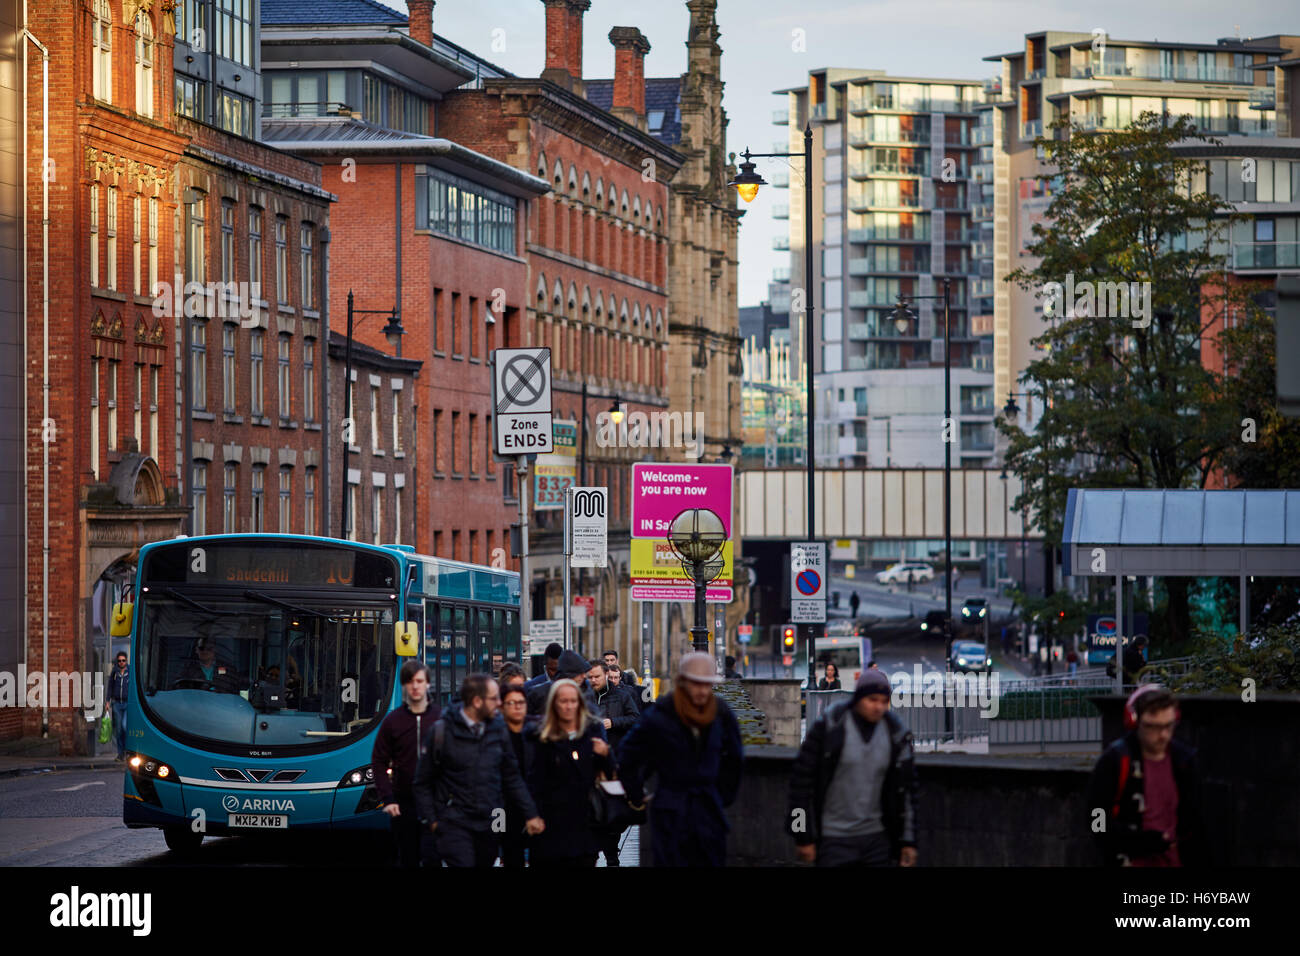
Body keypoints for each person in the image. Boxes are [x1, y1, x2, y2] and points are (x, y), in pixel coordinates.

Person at [617, 652, 744, 867]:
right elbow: (628, 754)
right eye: (696, 684)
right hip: (671, 811)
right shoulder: (662, 714)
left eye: (707, 685)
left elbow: (735, 758)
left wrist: (722, 796)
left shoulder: (720, 713)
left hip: (708, 809)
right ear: (683, 683)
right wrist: (636, 795)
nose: (703, 691)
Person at [787, 670, 919, 867]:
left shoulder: (894, 734)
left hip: (877, 838)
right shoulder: (830, 728)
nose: (878, 707)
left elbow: (907, 790)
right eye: (872, 699)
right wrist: (802, 836)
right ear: (858, 699)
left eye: (884, 701)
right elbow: (800, 785)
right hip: (834, 838)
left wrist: (908, 841)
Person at [413, 674, 544, 867]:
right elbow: (422, 781)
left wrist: (531, 814)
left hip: (487, 823)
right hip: (453, 823)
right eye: (494, 698)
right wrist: (433, 821)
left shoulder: (498, 729)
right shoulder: (442, 731)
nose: (499, 703)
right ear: (476, 701)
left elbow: (511, 776)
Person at [1086, 685, 1206, 867]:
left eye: (1168, 726)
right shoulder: (1115, 761)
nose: (1163, 735)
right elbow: (1096, 823)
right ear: (1134, 722)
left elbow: (1198, 823)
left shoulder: (1184, 760)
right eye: (1153, 727)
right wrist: (1140, 841)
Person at [525, 679, 615, 868]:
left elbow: (609, 775)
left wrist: (606, 755)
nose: (568, 706)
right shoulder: (541, 737)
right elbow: (534, 781)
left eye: (573, 701)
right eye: (563, 701)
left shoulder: (590, 732)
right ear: (554, 704)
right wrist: (533, 815)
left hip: (584, 824)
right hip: (551, 825)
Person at [371, 661, 442, 867]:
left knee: (433, 857)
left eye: (420, 681)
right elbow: (378, 760)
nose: (415, 686)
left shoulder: (441, 718)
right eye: (410, 682)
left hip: (435, 802)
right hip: (403, 803)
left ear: (428, 684)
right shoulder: (393, 721)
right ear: (403, 685)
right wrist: (388, 798)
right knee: (407, 858)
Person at [589, 659, 639, 867]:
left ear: (606, 676)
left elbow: (635, 718)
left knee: (613, 813)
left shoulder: (622, 696)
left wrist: (613, 723)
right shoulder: (583, 698)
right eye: (590, 677)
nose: (593, 680)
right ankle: (592, 854)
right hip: (589, 764)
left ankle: (611, 854)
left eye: (597, 677)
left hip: (613, 762)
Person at [499, 683, 539, 868]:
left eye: (520, 702)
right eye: (511, 703)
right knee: (510, 854)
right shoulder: (495, 734)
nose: (516, 707)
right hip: (504, 808)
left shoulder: (536, 731)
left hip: (535, 804)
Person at [526, 649, 597, 717]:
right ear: (568, 675)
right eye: (580, 673)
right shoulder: (539, 694)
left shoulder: (587, 689)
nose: (584, 676)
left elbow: (593, 718)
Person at [175, 637, 246, 694]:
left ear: (215, 649)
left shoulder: (229, 670)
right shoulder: (186, 669)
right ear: (196, 650)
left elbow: (235, 693)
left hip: (221, 708)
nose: (205, 651)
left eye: (209, 648)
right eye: (201, 648)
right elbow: (179, 691)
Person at [107, 651, 130, 761]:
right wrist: (107, 701)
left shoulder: (130, 671)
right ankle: (121, 753)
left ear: (126, 661)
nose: (121, 662)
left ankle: (127, 750)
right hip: (116, 703)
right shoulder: (115, 672)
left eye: (123, 660)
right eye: (119, 661)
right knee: (119, 729)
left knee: (125, 727)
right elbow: (110, 686)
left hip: (127, 703)